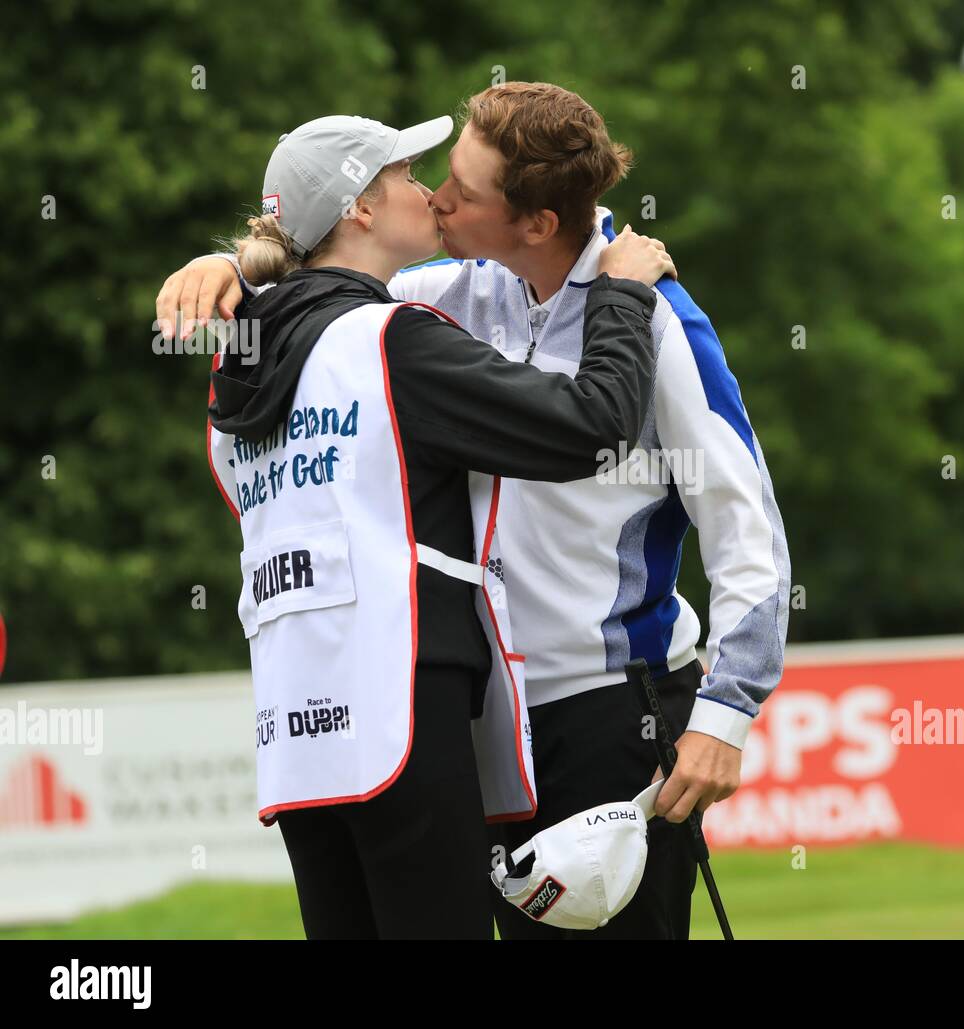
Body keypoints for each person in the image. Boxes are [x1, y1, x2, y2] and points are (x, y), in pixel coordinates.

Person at [157, 82, 790, 940]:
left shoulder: (659, 315)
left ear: (533, 223)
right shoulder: (440, 289)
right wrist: (234, 266)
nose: (438, 198)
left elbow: (747, 527)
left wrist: (727, 711)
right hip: (478, 725)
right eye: (435, 175)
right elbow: (326, 274)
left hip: (608, 713)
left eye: (462, 189)